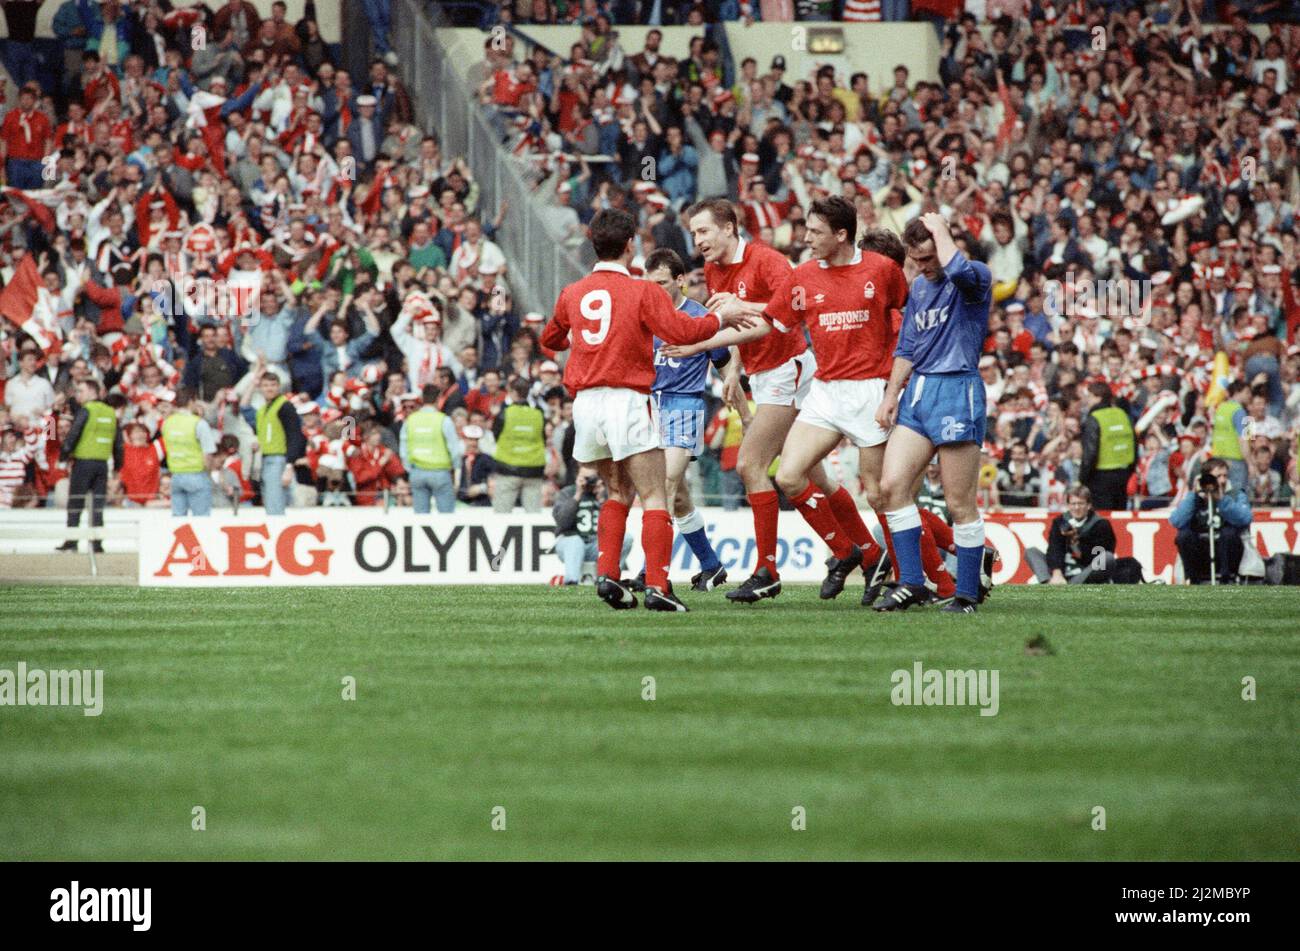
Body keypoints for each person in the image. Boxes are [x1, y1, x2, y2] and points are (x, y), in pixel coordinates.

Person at [540, 208, 750, 612]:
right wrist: (722, 315)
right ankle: (657, 585)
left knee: (616, 491)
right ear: (630, 245)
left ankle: (607, 577)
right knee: (655, 494)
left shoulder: (573, 292)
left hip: (585, 405)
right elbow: (684, 331)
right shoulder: (643, 291)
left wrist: (585, 344)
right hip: (627, 399)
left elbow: (551, 338)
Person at [685, 198, 835, 602]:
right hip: (762, 373)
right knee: (815, 475)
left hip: (789, 366)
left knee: (751, 463)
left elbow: (795, 310)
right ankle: (863, 553)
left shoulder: (767, 260)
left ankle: (767, 569)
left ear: (730, 227)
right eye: (694, 232)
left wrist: (741, 306)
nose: (697, 240)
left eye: (703, 230)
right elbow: (738, 324)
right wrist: (733, 368)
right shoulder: (713, 270)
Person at [875, 213, 993, 614]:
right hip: (920, 391)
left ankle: (966, 593)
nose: (924, 268)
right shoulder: (920, 289)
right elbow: (907, 347)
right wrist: (891, 395)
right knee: (891, 486)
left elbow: (957, 269)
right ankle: (912, 581)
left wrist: (943, 230)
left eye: (928, 258)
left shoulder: (973, 275)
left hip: (958, 388)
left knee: (959, 501)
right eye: (916, 260)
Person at [639, 247, 730, 592]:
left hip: (684, 406)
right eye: (651, 284)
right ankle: (711, 565)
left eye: (662, 283)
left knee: (663, 486)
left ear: (680, 280)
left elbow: (725, 358)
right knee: (677, 498)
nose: (656, 290)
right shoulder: (645, 317)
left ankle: (650, 570)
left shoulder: (698, 316)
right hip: (651, 407)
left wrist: (733, 385)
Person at [1025, 486, 1143, 585]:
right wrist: (1057, 572)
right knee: (1031, 552)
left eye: (1080, 503)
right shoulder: (1060, 521)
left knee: (1107, 558)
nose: (1076, 508)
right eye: (1073, 504)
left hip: (1085, 571)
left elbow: (1099, 556)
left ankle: (1070, 587)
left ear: (1088, 505)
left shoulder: (1101, 524)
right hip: (1062, 572)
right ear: (1068, 505)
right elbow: (1054, 549)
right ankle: (1049, 583)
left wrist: (1077, 544)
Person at [57, 379, 122, 553]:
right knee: (97, 505)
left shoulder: (87, 410)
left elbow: (74, 433)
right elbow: (118, 442)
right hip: (102, 464)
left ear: (92, 393)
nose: (78, 394)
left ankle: (72, 541)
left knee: (76, 502)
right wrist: (117, 465)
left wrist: (63, 455)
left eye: (81, 391)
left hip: (83, 462)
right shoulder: (111, 413)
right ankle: (97, 543)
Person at [1169, 457, 1253, 585]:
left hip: (1228, 551)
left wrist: (1222, 499)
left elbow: (1245, 518)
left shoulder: (1236, 494)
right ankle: (1193, 579)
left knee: (1229, 532)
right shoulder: (1194, 498)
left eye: (1225, 475)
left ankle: (1227, 579)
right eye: (1218, 476)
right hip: (1201, 551)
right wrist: (1194, 495)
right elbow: (1176, 521)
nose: (1223, 480)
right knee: (1184, 535)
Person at [551, 464, 631, 585]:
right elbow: (562, 522)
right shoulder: (567, 493)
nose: (588, 482)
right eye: (585, 478)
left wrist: (602, 500)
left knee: (626, 538)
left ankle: (608, 579)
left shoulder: (605, 494)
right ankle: (572, 581)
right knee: (575, 542)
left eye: (592, 478)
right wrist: (577, 495)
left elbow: (615, 524)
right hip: (569, 544)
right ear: (577, 477)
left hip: (596, 544)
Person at [247, 372, 306, 516]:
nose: (269, 389)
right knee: (269, 501)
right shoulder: (262, 410)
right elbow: (244, 408)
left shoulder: (285, 406)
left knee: (275, 503)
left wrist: (289, 465)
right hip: (264, 459)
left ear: (279, 387)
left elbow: (294, 435)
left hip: (278, 459)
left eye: (273, 385)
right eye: (265, 385)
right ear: (260, 388)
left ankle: (277, 530)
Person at [400, 384, 462, 514]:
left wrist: (410, 469)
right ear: (439, 398)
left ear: (422, 398)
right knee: (446, 516)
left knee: (421, 517)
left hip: (417, 471)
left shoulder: (410, 420)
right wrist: (456, 469)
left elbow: (403, 450)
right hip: (440, 472)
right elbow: (454, 449)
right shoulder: (443, 420)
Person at [159, 388, 219, 517]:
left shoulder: (167, 423)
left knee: (178, 519)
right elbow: (208, 453)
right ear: (192, 401)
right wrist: (207, 473)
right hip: (196, 473)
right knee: (201, 519)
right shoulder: (199, 423)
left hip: (175, 475)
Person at [491, 378, 546, 514]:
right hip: (534, 469)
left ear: (513, 392)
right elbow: (543, 438)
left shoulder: (503, 414)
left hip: (508, 469)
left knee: (501, 516)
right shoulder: (539, 414)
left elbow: (496, 436)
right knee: (533, 515)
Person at [1079, 381, 1136, 512]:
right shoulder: (1122, 415)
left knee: (1102, 519)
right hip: (1123, 474)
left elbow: (1090, 453)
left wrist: (1083, 479)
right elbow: (1134, 444)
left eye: (1090, 397)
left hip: (1100, 476)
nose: (1087, 401)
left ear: (1098, 398)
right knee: (1119, 516)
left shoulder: (1094, 418)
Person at [1210, 379, 1252, 493]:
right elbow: (1244, 440)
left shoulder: (1220, 408)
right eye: (1247, 392)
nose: (1250, 396)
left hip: (1217, 459)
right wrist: (1250, 464)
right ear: (1238, 392)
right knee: (1238, 496)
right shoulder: (1240, 412)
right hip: (1236, 460)